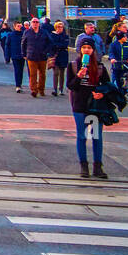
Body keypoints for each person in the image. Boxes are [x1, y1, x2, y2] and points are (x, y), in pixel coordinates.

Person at [68, 41, 110, 179]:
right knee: (82, 135)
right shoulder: (73, 66)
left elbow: (108, 86)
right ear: (80, 50)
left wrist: (102, 93)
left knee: (97, 136)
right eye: (84, 48)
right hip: (79, 105)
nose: (86, 50)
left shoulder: (100, 67)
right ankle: (83, 166)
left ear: (93, 50)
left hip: (96, 107)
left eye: (89, 48)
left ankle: (98, 166)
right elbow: (71, 86)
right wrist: (79, 76)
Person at [22, 17, 51, 97]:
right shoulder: (27, 32)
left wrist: (46, 51)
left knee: (42, 74)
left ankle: (41, 89)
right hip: (31, 56)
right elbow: (23, 44)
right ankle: (34, 90)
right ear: (31, 23)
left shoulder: (44, 32)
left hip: (42, 56)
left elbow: (50, 42)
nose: (35, 23)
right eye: (33, 22)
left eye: (36, 22)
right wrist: (24, 54)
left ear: (39, 23)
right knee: (33, 74)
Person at [49, 20, 70, 98]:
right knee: (56, 73)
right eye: (58, 27)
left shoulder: (65, 36)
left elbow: (65, 44)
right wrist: (58, 45)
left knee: (62, 73)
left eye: (61, 27)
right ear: (55, 27)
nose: (59, 28)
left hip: (63, 55)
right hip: (55, 55)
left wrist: (57, 45)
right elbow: (52, 44)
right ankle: (55, 89)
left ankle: (61, 89)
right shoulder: (52, 35)